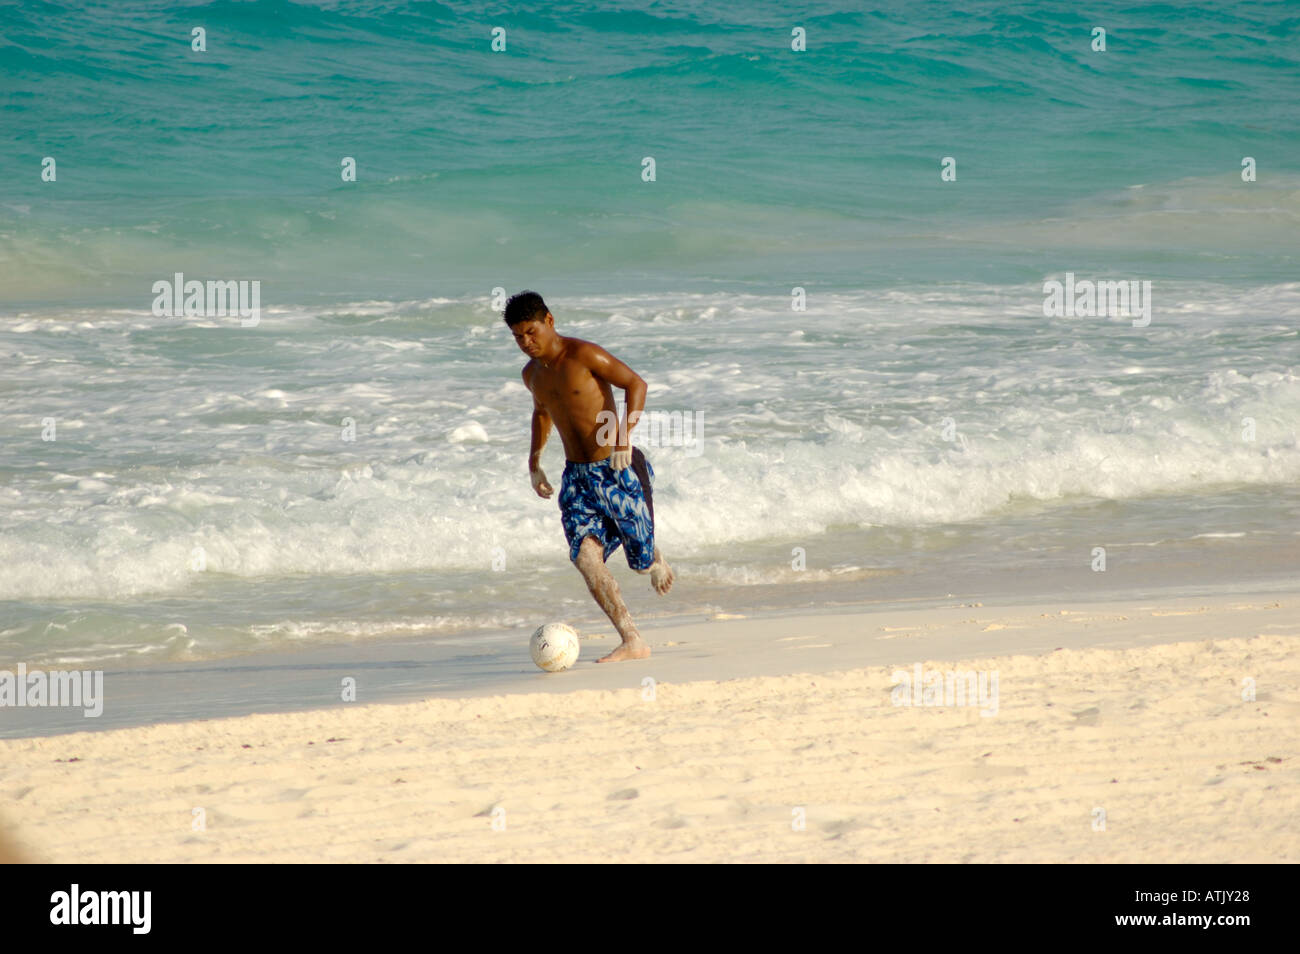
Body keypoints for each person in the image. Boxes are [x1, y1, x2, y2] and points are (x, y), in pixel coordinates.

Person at [505, 291, 673, 662]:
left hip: (617, 469)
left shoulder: (584, 355)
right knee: (584, 558)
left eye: (531, 332)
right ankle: (632, 639)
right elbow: (541, 413)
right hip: (577, 479)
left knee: (641, 562)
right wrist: (535, 464)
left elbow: (636, 384)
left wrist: (623, 438)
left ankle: (653, 556)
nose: (526, 343)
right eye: (518, 337)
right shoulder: (531, 375)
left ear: (550, 320)